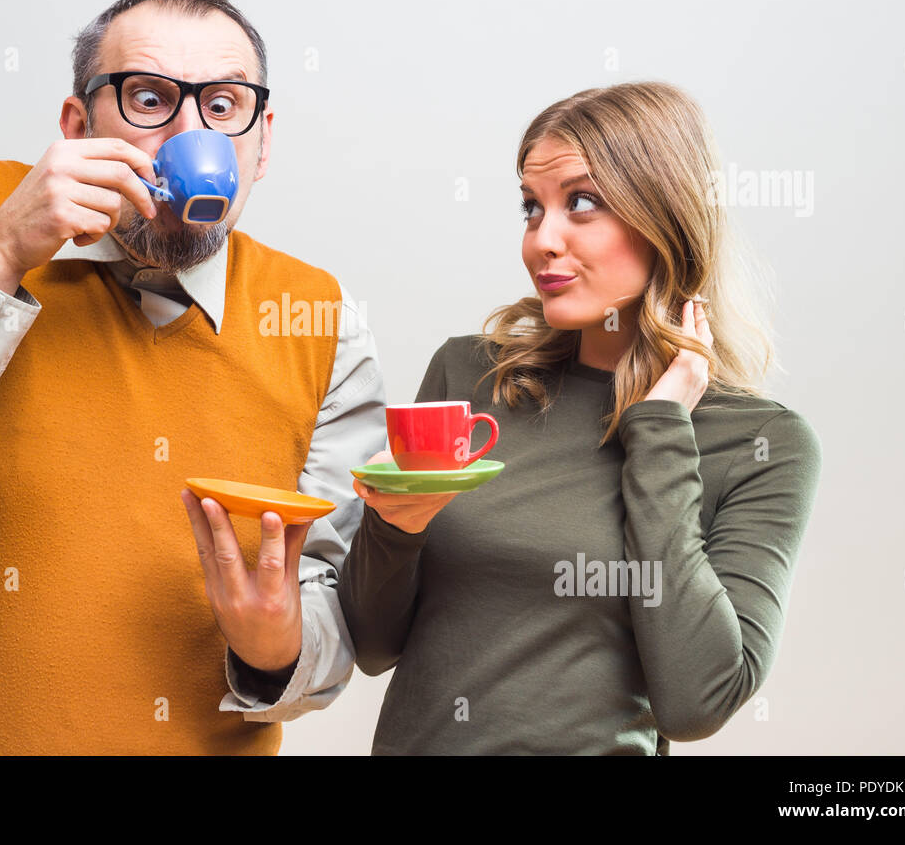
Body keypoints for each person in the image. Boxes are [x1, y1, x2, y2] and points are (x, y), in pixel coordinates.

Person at [0, 0, 385, 754]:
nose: (187, 132)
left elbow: (334, 621)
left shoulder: (320, 319)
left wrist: (274, 645)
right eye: (148, 98)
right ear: (78, 125)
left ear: (260, 140)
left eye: (223, 105)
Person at [339, 82, 822, 755]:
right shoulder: (466, 379)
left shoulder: (762, 443)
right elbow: (371, 640)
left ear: (667, 217)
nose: (543, 240)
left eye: (582, 204)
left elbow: (695, 703)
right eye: (532, 209)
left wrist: (659, 431)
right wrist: (395, 528)